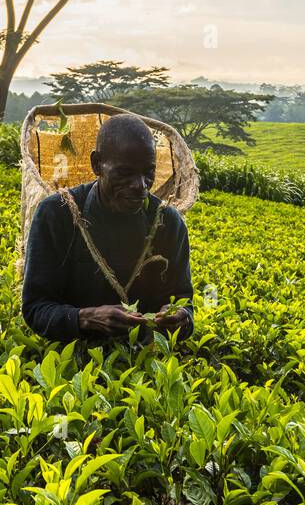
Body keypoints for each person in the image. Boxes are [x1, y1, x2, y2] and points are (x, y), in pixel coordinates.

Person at [21, 114, 194, 343]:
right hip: (71, 363)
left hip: (142, 364)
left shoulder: (169, 223)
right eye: (125, 173)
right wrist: (84, 318)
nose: (140, 186)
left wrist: (180, 318)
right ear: (97, 164)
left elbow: (184, 300)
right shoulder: (57, 214)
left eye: (148, 172)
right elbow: (35, 308)